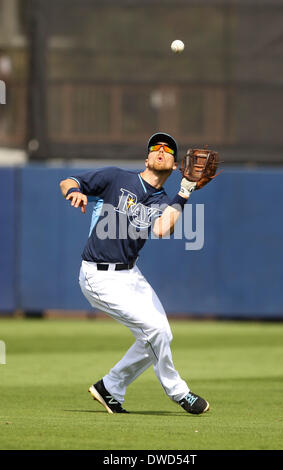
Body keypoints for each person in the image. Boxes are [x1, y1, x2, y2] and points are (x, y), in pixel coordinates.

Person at [59, 132, 210, 415]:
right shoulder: (117, 177)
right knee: (153, 331)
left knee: (160, 333)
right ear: (147, 157)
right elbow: (68, 181)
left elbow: (163, 229)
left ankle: (110, 387)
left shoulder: (163, 200)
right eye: (156, 147)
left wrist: (186, 190)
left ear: (176, 166)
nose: (161, 150)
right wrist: (73, 192)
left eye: (168, 149)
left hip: (130, 274)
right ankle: (179, 392)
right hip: (98, 275)